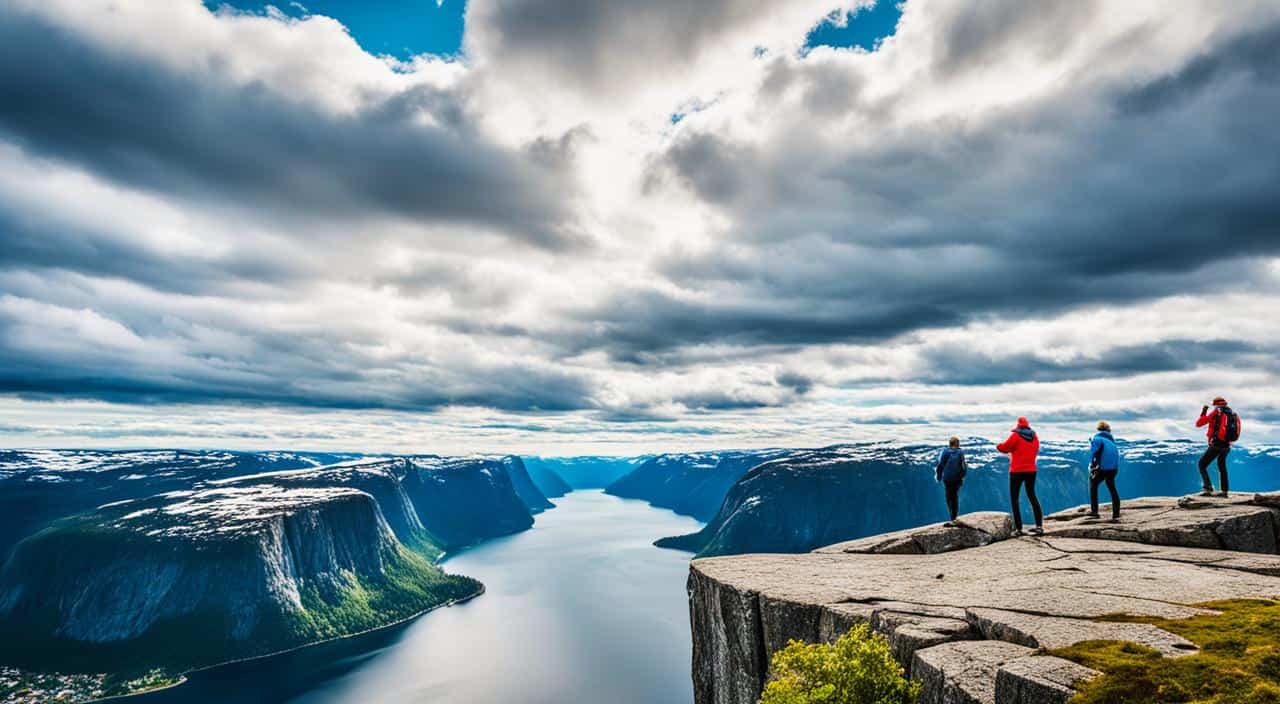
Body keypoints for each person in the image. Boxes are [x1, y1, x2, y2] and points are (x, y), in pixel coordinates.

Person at [997, 417, 1042, 536]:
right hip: (1031, 470)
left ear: (1018, 425)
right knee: (1032, 496)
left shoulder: (1015, 435)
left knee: (1014, 499)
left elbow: (1005, 447)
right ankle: (1039, 526)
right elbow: (1036, 449)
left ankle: (1019, 529)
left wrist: (999, 446)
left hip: (1016, 471)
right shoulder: (1035, 436)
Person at [1195, 396, 1241, 497]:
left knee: (1202, 464)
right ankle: (1224, 491)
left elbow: (1199, 423)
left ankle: (1208, 488)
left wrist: (1204, 410)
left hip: (1217, 444)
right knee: (1222, 466)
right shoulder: (1232, 414)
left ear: (1216, 404)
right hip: (1227, 445)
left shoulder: (1216, 412)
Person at [1088, 421, 1121, 521]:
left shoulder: (1097, 439)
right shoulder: (1111, 441)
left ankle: (1094, 512)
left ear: (1098, 429)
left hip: (1103, 468)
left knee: (1093, 484)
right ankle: (1116, 514)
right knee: (1111, 487)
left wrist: (1092, 466)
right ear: (1108, 430)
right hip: (1113, 469)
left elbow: (1093, 454)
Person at [935, 437, 967, 526]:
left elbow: (940, 465)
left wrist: (938, 476)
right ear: (957, 444)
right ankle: (955, 516)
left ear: (950, 443)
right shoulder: (960, 452)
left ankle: (952, 516)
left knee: (949, 497)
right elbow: (963, 466)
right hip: (957, 478)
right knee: (955, 496)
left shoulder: (945, 451)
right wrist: (962, 476)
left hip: (947, 478)